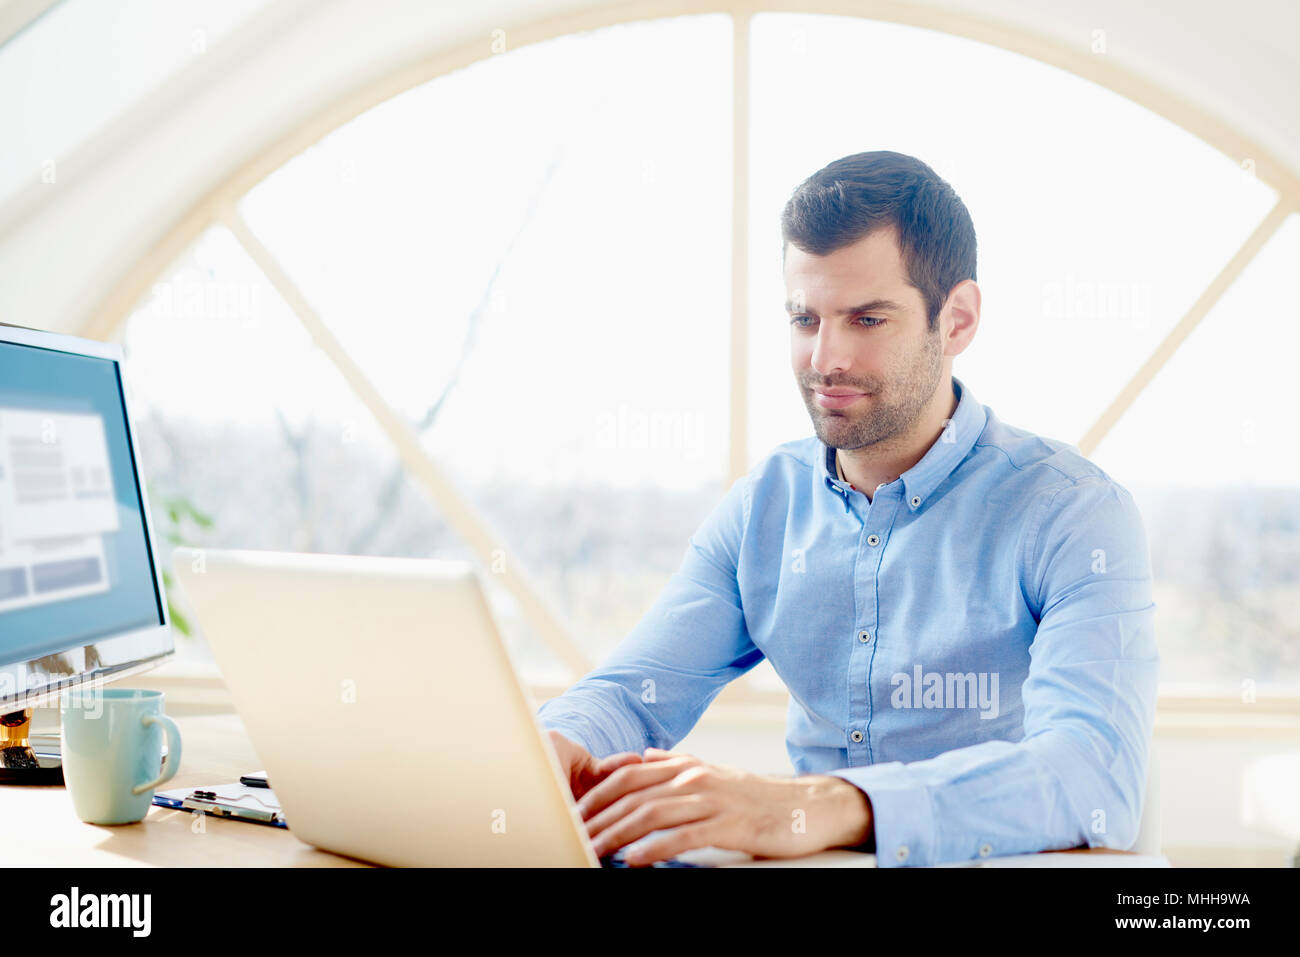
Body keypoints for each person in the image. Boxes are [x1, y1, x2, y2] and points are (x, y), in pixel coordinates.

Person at [538, 150, 1159, 867]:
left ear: (956, 320)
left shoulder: (1074, 514)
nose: (824, 359)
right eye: (805, 318)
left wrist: (823, 803)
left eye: (867, 319)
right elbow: (630, 694)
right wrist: (552, 751)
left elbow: (1090, 775)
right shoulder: (763, 508)